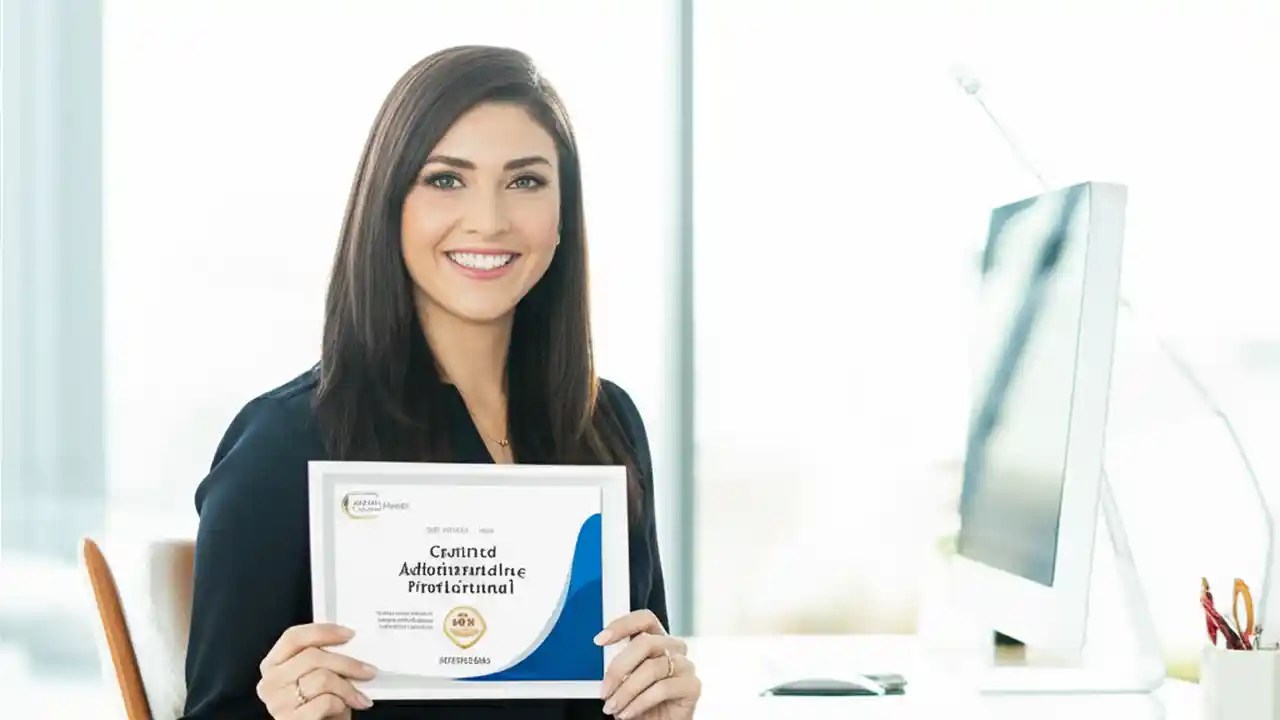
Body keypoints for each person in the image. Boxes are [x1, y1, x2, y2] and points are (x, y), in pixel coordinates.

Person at [182, 45, 702, 720]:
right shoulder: (285, 442)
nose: (489, 219)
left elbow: (620, 689)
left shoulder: (605, 424)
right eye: (447, 180)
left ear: (562, 217)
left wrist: (661, 696)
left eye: (525, 182)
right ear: (389, 203)